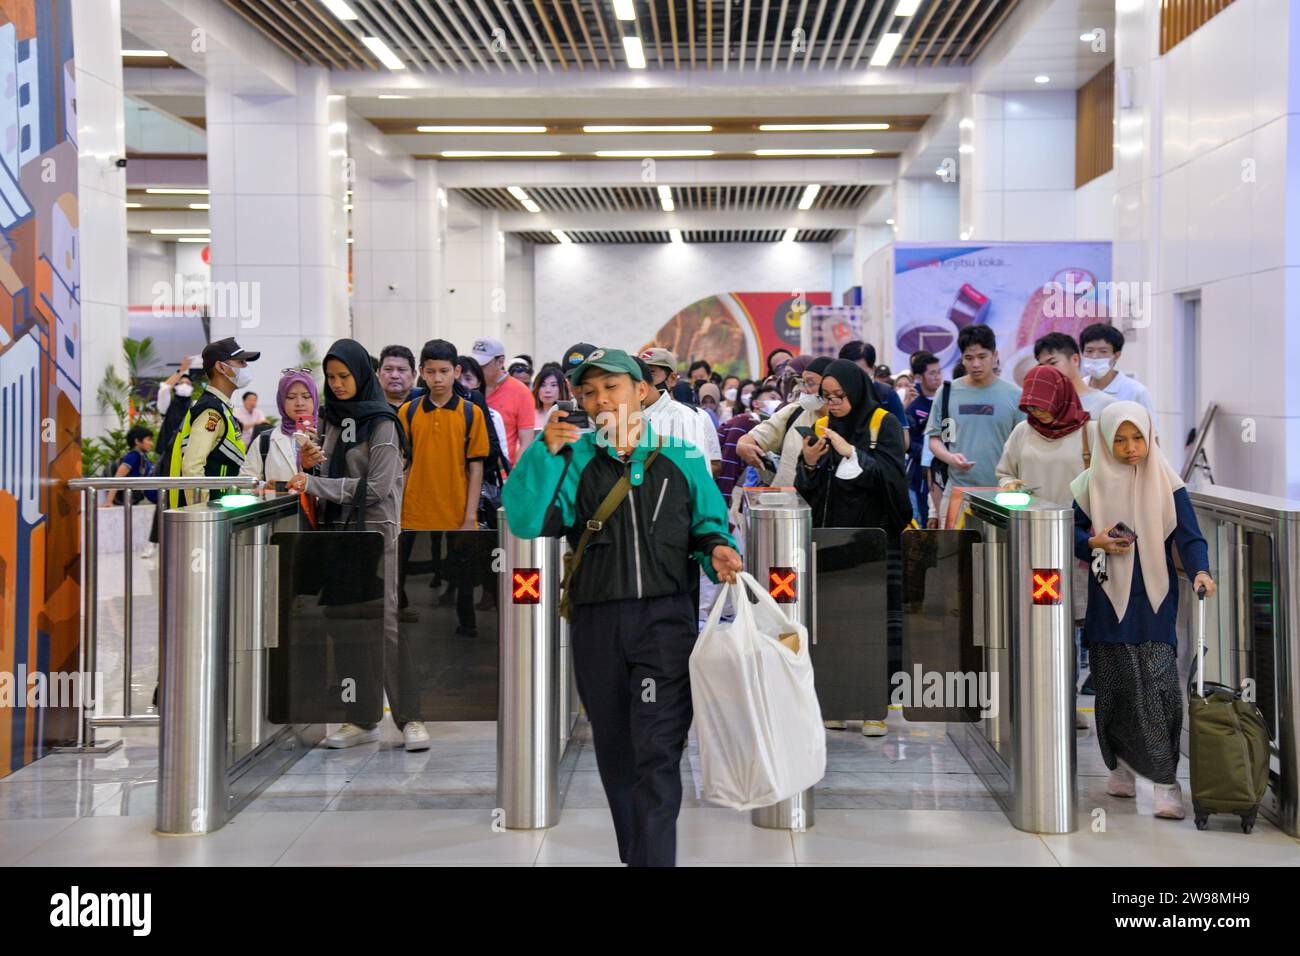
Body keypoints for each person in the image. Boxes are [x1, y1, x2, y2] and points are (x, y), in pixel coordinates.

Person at [502, 348, 741, 867]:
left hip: (664, 622)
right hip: (597, 623)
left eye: (611, 388)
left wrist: (717, 549)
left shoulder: (683, 455)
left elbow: (707, 523)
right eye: (589, 392)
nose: (600, 399)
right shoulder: (573, 458)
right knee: (615, 751)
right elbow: (527, 520)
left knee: (657, 752)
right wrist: (544, 453)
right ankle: (640, 857)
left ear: (640, 391)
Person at [1071, 402, 1214, 819]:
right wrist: (1094, 542)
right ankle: (1120, 770)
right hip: (1106, 597)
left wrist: (1202, 569)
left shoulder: (1167, 483)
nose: (1130, 448)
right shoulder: (1086, 484)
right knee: (1113, 687)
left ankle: (1167, 783)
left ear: (1150, 438)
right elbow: (1072, 530)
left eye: (1137, 438)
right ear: (1105, 440)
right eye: (1119, 439)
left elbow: (1190, 535)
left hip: (1155, 597)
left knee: (1160, 686)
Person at [286, 339, 424, 751]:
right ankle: (361, 719)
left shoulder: (382, 421)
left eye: (345, 376)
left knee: (385, 626)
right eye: (331, 377)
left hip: (377, 535)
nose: (338, 384)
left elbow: (379, 486)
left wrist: (316, 482)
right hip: (339, 535)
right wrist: (314, 461)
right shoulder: (331, 419)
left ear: (362, 374)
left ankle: (411, 717)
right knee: (344, 625)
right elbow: (333, 471)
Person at [796, 359, 911, 736]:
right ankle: (835, 701)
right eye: (826, 397)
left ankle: (872, 707)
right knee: (832, 624)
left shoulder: (884, 424)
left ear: (857, 392)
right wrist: (809, 465)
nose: (833, 404)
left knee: (871, 626)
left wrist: (852, 454)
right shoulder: (821, 425)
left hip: (875, 541)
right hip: (831, 539)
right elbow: (809, 490)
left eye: (840, 396)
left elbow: (893, 483)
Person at [925, 325, 1025, 528]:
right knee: (955, 557)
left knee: (1001, 557)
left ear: (995, 356)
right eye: (969, 358)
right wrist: (950, 458)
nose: (976, 364)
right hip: (957, 493)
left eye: (982, 356)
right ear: (961, 358)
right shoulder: (947, 393)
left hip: (1002, 495)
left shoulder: (1014, 395)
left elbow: (1024, 445)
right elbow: (936, 438)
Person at [167, 338, 260, 507]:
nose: (245, 368)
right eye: (240, 362)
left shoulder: (221, 407)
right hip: (211, 516)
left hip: (221, 510)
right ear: (221, 367)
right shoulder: (211, 411)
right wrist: (201, 513)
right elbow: (192, 468)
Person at [736, 356, 829, 489]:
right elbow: (755, 436)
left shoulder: (845, 420)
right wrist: (743, 444)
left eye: (811, 383)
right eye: (803, 382)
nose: (804, 389)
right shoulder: (795, 411)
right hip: (786, 501)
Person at [640, 347, 723, 478]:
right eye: (638, 374)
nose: (642, 382)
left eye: (650, 374)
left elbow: (707, 467)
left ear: (672, 379)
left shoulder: (694, 416)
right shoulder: (628, 416)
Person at [241, 369, 319, 485]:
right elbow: (244, 482)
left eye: (306, 396)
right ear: (281, 401)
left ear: (315, 400)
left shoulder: (328, 437)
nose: (299, 403)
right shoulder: (264, 441)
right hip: (280, 503)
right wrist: (264, 487)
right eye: (291, 397)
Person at [472, 337, 535, 461]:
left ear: (500, 362)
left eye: (483, 365)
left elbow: (526, 443)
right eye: (475, 364)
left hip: (504, 474)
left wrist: (514, 476)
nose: (477, 369)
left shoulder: (521, 392)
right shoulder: (468, 388)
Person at [1033, 331, 1115, 418]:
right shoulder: (1041, 407)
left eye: (1053, 363)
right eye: (1042, 366)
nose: (1047, 371)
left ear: (1075, 360)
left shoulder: (1107, 405)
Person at [1079, 323, 1154, 414]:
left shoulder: (1136, 392)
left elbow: (1151, 427)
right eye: (1089, 351)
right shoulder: (1078, 389)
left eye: (1103, 351)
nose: (1095, 356)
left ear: (1116, 355)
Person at [905, 350, 942, 526]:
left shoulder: (946, 400)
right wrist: (931, 452)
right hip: (920, 475)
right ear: (919, 377)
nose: (938, 377)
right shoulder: (913, 405)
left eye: (939, 372)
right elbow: (907, 443)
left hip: (944, 469)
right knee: (924, 520)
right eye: (932, 373)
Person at [459, 355, 510, 469]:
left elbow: (502, 460)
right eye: (457, 380)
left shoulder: (493, 417)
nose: (462, 384)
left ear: (479, 383)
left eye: (468, 379)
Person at [111, 425, 157, 506]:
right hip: (145, 500)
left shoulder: (143, 457)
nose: (151, 444)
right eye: (148, 440)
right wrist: (109, 501)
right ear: (137, 441)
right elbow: (117, 478)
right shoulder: (132, 457)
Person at [378, 344, 423, 410]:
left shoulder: (425, 402)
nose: (394, 376)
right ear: (378, 373)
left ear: (414, 375)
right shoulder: (368, 404)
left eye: (401, 370)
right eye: (388, 369)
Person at [532, 364, 570, 430]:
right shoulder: (528, 414)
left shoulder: (572, 415)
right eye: (543, 385)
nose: (548, 390)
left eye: (553, 385)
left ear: (562, 389)